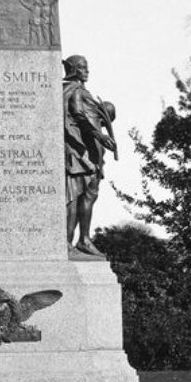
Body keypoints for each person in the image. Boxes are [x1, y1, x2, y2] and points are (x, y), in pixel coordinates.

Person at [62, 55, 117, 256]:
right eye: (83, 68)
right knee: (75, 195)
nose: (87, 71)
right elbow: (78, 114)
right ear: (74, 69)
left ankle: (84, 240)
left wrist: (105, 113)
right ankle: (67, 242)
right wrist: (99, 135)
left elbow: (90, 116)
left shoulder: (83, 91)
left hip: (91, 152)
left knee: (89, 195)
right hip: (79, 152)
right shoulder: (75, 90)